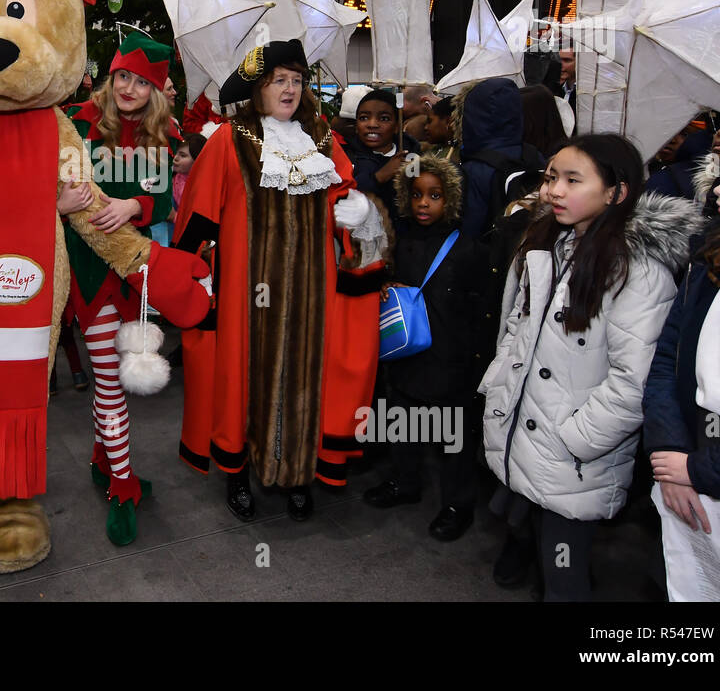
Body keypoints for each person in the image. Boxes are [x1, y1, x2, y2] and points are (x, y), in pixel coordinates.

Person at [479, 134, 701, 600]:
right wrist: (501, 386)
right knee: (545, 553)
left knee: (565, 575)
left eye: (572, 180)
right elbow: (516, 330)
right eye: (551, 177)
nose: (553, 191)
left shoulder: (638, 269)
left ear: (616, 192)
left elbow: (634, 381)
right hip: (529, 434)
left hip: (575, 455)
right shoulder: (549, 244)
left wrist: (573, 440)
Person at [173, 40, 388, 521]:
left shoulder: (324, 140)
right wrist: (193, 280)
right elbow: (198, 220)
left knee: (305, 379)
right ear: (259, 89)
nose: (290, 90)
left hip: (313, 293)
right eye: (279, 81)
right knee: (242, 380)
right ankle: (239, 474)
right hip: (245, 296)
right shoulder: (231, 140)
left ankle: (298, 473)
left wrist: (357, 213)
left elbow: (345, 197)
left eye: (297, 80)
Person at [63, 31, 182, 545]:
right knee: (110, 378)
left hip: (135, 271)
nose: (129, 88)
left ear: (156, 89)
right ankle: (123, 482)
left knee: (112, 370)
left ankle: (101, 455)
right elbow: (39, 181)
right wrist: (58, 204)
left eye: (141, 81)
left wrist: (136, 206)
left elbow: (166, 201)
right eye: (123, 77)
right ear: (110, 77)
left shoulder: (164, 132)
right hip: (85, 269)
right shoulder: (74, 122)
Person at [643, 125, 720, 595]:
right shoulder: (717, 255)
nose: (718, 190)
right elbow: (667, 361)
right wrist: (671, 456)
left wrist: (696, 471)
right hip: (687, 468)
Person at [365, 152, 485, 541]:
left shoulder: (468, 248)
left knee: (453, 437)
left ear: (450, 199)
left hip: (451, 359)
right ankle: (405, 482)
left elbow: (480, 308)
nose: (423, 204)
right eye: (416, 194)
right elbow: (385, 282)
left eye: (434, 195)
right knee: (401, 421)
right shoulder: (399, 241)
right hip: (407, 355)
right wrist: (385, 286)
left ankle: (457, 504)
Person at [458, 77, 542, 241]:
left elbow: (471, 227)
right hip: (527, 246)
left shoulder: (475, 169)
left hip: (490, 254)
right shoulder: (534, 154)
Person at [343, 87, 421, 226]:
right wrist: (379, 177)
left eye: (384, 118)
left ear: (397, 126)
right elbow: (342, 198)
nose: (372, 124)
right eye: (364, 118)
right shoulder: (346, 156)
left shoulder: (412, 155)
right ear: (356, 125)